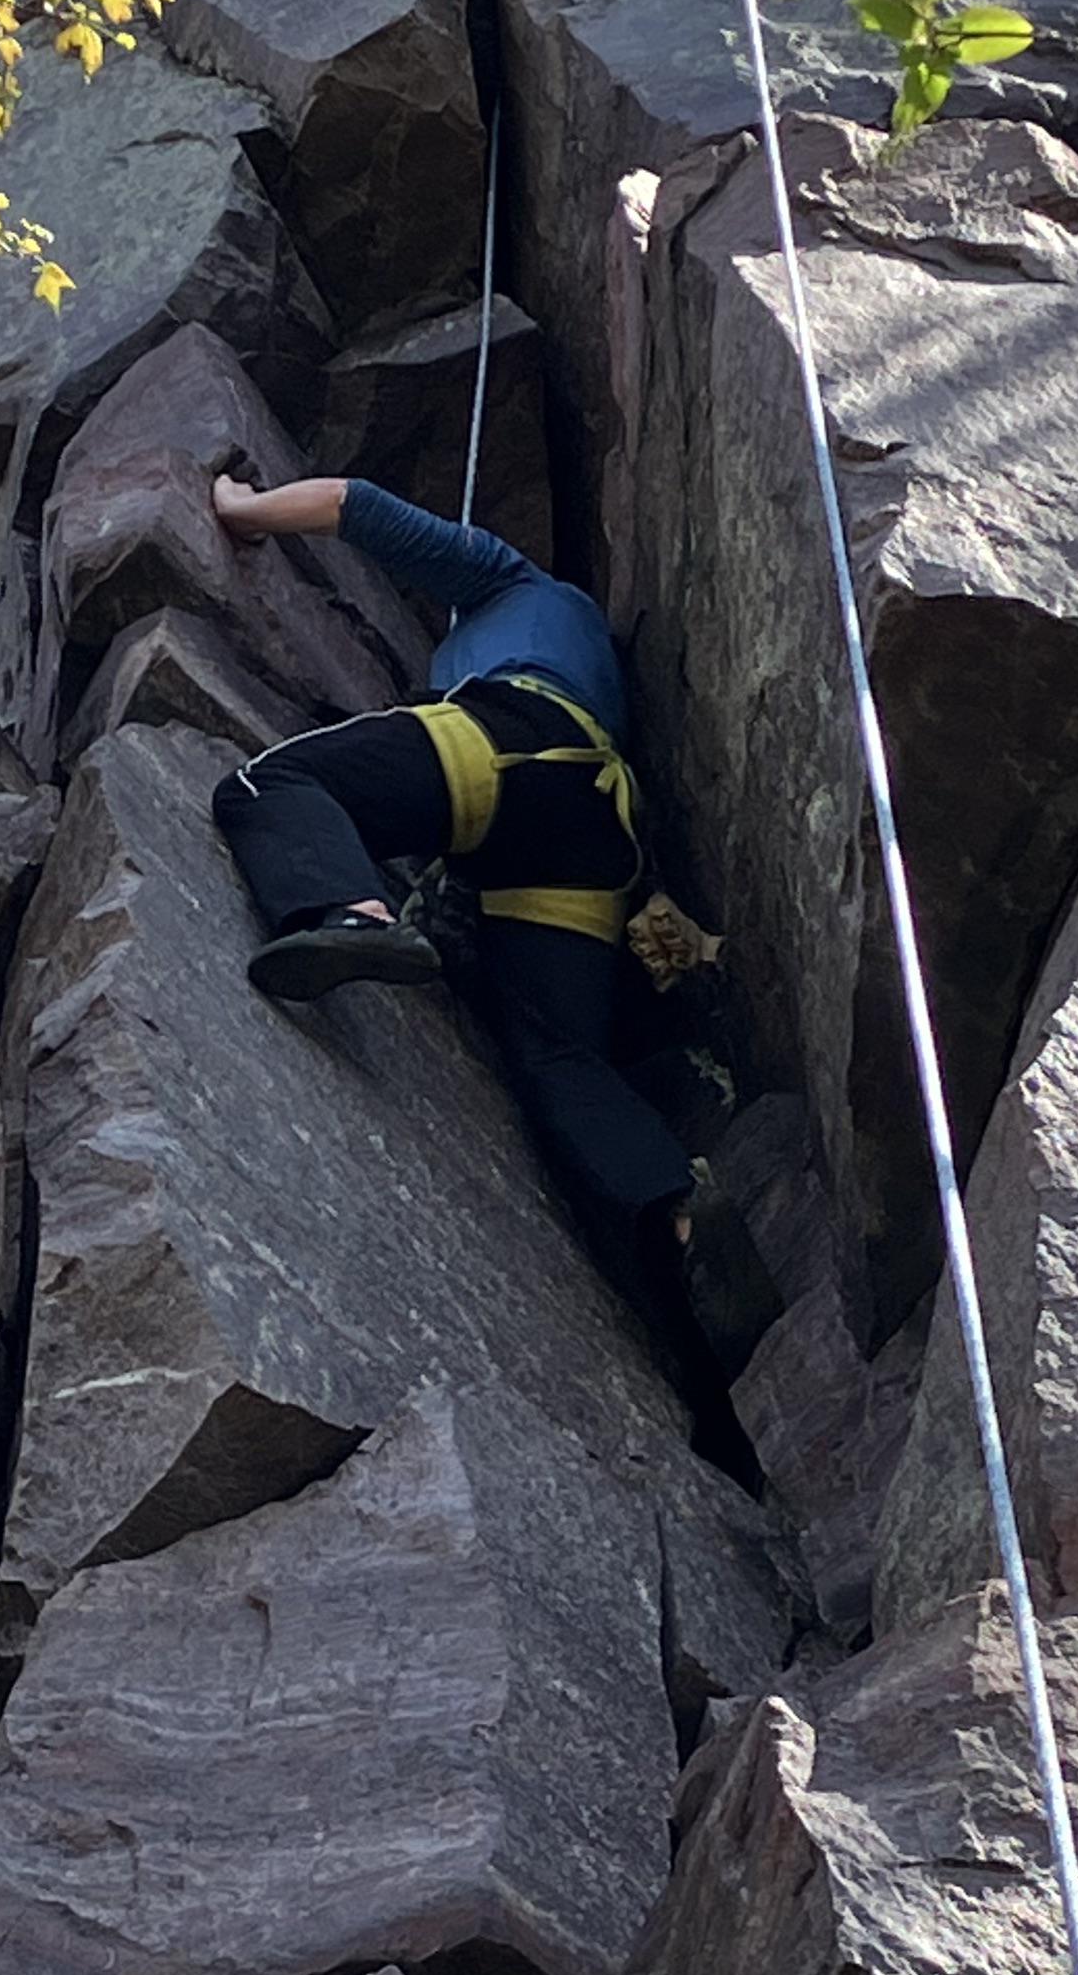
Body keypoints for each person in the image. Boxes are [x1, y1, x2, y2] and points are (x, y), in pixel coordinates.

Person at [208, 470, 755, 1481]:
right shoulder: (593, 657)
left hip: (515, 742)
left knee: (272, 781)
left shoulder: (515, 585)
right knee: (556, 1058)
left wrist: (239, 507)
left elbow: (356, 505)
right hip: (596, 828)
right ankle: (678, 1209)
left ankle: (352, 915)